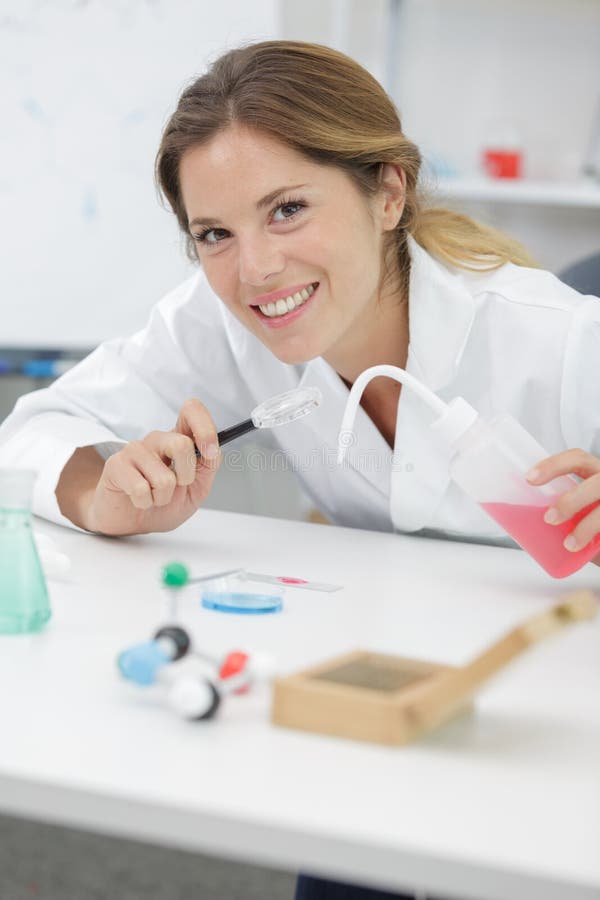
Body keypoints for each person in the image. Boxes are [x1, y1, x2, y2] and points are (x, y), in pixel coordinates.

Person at [1, 39, 599, 898]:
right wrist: (103, 494)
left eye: (286, 210)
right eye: (214, 233)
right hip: (374, 692)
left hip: (555, 728)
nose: (256, 270)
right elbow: (30, 429)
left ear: (387, 192)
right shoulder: (218, 323)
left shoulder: (554, 339)